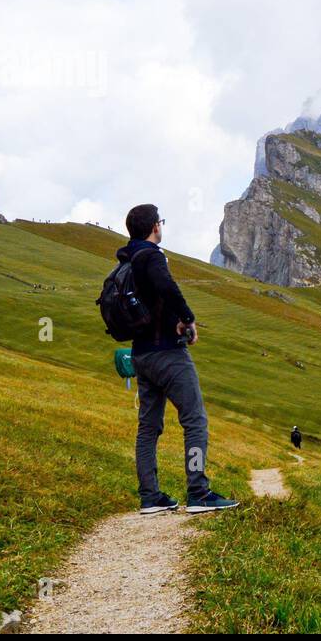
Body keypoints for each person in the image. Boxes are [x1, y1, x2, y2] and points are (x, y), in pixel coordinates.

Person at [119, 204, 237, 515]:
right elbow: (167, 287)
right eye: (161, 222)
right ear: (154, 227)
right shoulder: (152, 256)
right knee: (195, 420)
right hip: (168, 353)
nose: (162, 226)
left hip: (141, 354)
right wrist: (187, 318)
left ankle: (150, 497)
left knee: (148, 427)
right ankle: (198, 492)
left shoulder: (127, 259)